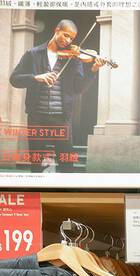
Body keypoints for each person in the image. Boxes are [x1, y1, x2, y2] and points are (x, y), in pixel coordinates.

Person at [7, 20, 108, 172]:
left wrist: (93, 70)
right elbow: (14, 79)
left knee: (66, 163)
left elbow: (78, 88)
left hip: (61, 117)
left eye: (71, 39)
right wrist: (36, 78)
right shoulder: (33, 54)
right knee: (37, 163)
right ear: (57, 30)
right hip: (36, 117)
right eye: (65, 35)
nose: (68, 41)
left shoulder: (73, 58)